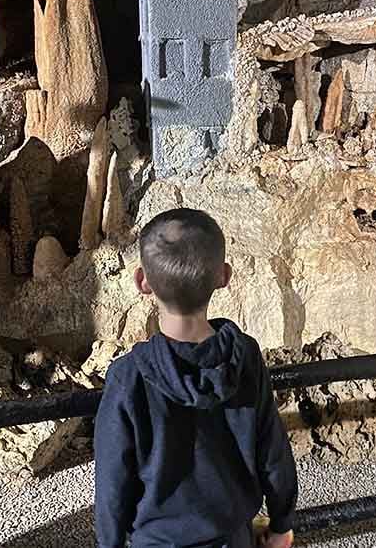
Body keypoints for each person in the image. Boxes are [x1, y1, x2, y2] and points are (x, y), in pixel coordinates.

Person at [95, 207, 298, 548]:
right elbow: (273, 452)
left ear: (142, 281)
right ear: (224, 276)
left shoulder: (127, 377)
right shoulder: (245, 356)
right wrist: (281, 523)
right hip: (233, 537)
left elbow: (112, 483)